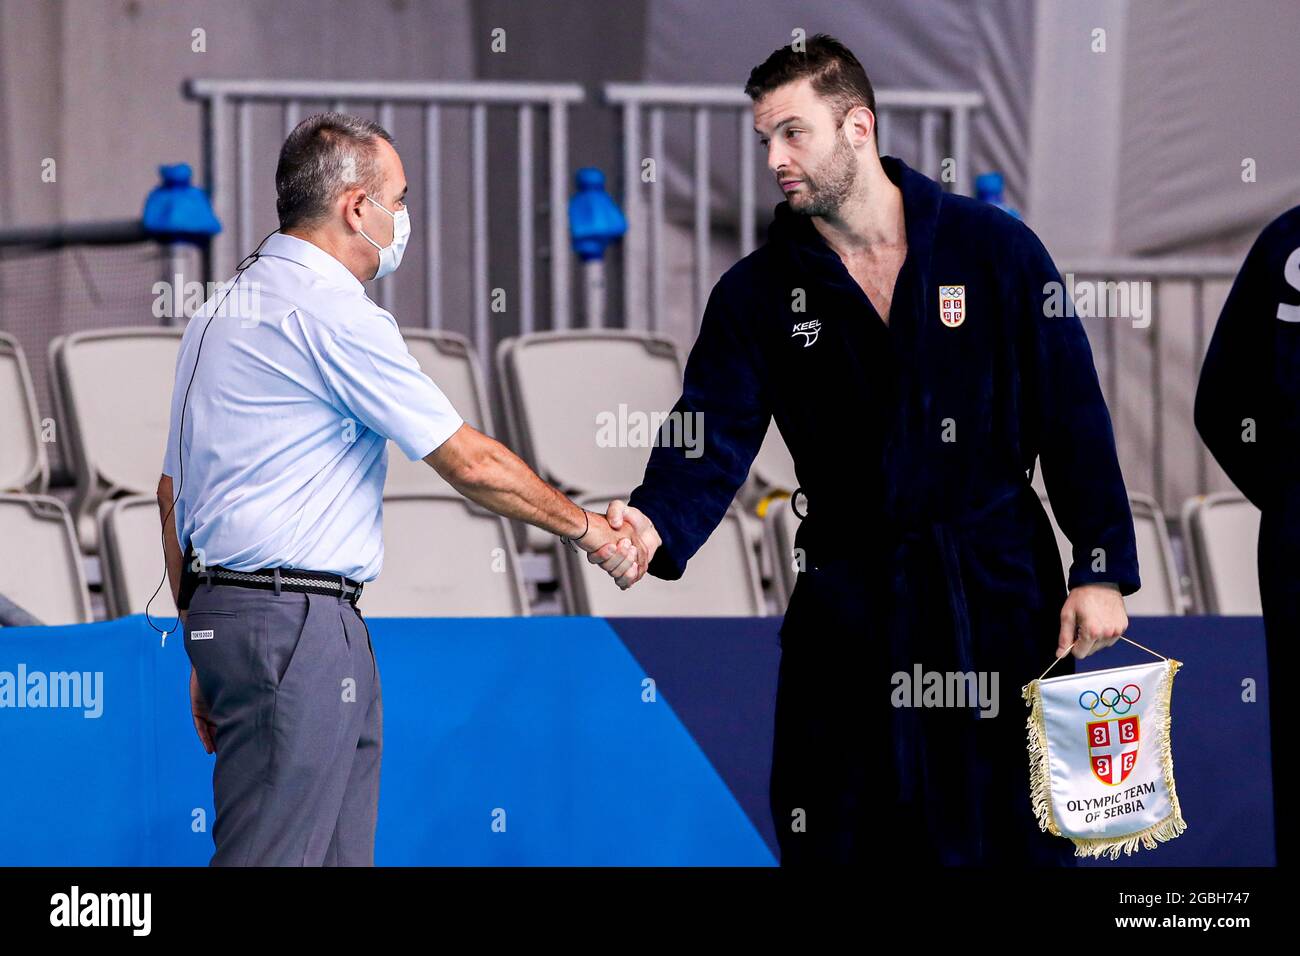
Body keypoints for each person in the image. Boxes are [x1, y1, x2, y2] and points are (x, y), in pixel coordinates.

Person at [590, 35, 1137, 865]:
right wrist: (655, 523)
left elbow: (1073, 414)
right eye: (764, 139)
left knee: (1017, 840)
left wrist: (1097, 566)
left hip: (997, 596)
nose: (774, 158)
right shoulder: (758, 293)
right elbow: (709, 431)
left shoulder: (995, 251)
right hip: (852, 603)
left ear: (858, 127)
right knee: (841, 832)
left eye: (792, 133)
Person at [157, 112, 645, 866]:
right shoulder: (334, 313)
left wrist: (205, 637)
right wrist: (590, 530)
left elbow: (170, 493)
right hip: (296, 625)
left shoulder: (216, 313)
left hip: (257, 618)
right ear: (358, 207)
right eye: (401, 198)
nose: (405, 218)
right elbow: (470, 462)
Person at [1194, 204, 1300, 866]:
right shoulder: (1282, 244)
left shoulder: (1285, 240)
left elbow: (1222, 405)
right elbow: (1224, 405)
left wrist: (1289, 500)